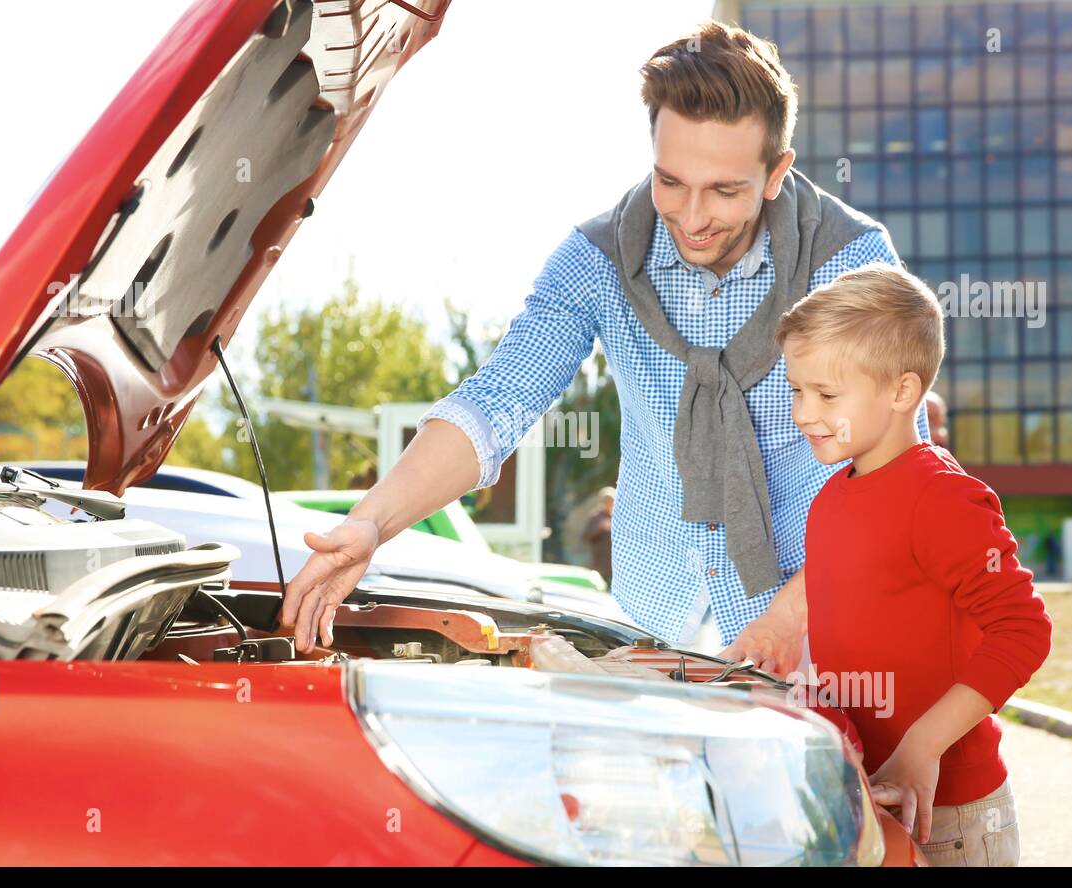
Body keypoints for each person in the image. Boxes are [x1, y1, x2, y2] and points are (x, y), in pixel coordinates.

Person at [280, 19, 928, 662]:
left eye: (726, 190)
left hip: (819, 615)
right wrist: (372, 520)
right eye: (671, 182)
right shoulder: (599, 258)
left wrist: (785, 625)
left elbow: (900, 474)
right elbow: (496, 402)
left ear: (777, 171)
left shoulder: (848, 260)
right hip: (655, 619)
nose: (694, 217)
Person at [729, 263, 1052, 865]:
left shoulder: (942, 496)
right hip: (865, 790)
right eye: (797, 390)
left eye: (826, 394)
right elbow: (838, 570)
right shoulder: (832, 495)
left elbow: (1024, 630)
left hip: (949, 814)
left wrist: (921, 746)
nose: (802, 413)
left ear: (903, 392)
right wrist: (779, 623)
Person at [581, 487, 615, 585]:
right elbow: (586, 536)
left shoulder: (615, 517)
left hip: (613, 564)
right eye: (608, 501)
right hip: (599, 563)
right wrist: (600, 528)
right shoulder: (596, 517)